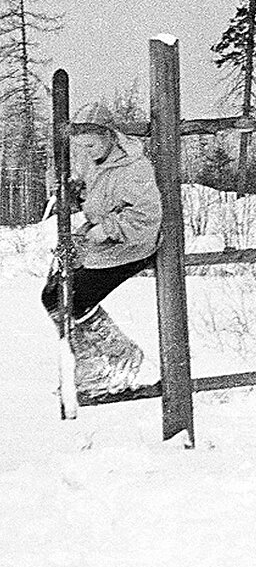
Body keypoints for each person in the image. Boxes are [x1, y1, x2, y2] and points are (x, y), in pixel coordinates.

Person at [41, 102, 162, 395]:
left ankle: (118, 358)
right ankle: (86, 360)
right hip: (98, 240)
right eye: (82, 145)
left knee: (76, 297)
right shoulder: (92, 161)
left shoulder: (134, 167)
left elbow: (147, 218)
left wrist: (108, 228)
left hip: (131, 245)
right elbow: (93, 195)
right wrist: (73, 192)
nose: (87, 150)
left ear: (110, 135)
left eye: (92, 144)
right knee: (52, 295)